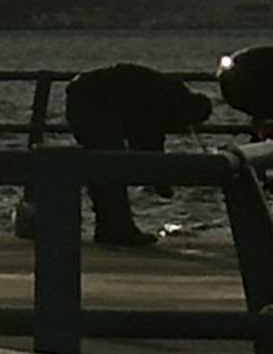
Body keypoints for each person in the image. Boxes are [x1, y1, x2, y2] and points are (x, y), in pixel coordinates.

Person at [60, 62, 211, 247]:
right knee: (111, 166)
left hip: (88, 95)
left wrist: (157, 175)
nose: (182, 128)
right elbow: (148, 140)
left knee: (108, 168)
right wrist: (160, 181)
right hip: (93, 101)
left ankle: (110, 227)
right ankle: (117, 229)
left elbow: (148, 137)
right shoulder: (164, 100)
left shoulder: (171, 94)